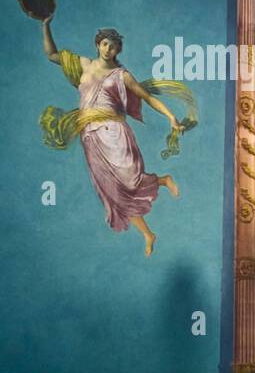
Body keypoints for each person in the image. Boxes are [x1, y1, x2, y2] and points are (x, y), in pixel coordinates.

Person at [40, 19, 182, 256]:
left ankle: (163, 180)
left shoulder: (121, 75)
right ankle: (148, 234)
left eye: (114, 47)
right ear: (98, 44)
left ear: (118, 50)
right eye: (105, 44)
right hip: (90, 137)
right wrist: (45, 24)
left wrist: (171, 117)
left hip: (114, 131)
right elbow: (52, 54)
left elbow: (147, 97)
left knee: (130, 180)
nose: (108, 49)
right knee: (113, 191)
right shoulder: (83, 65)